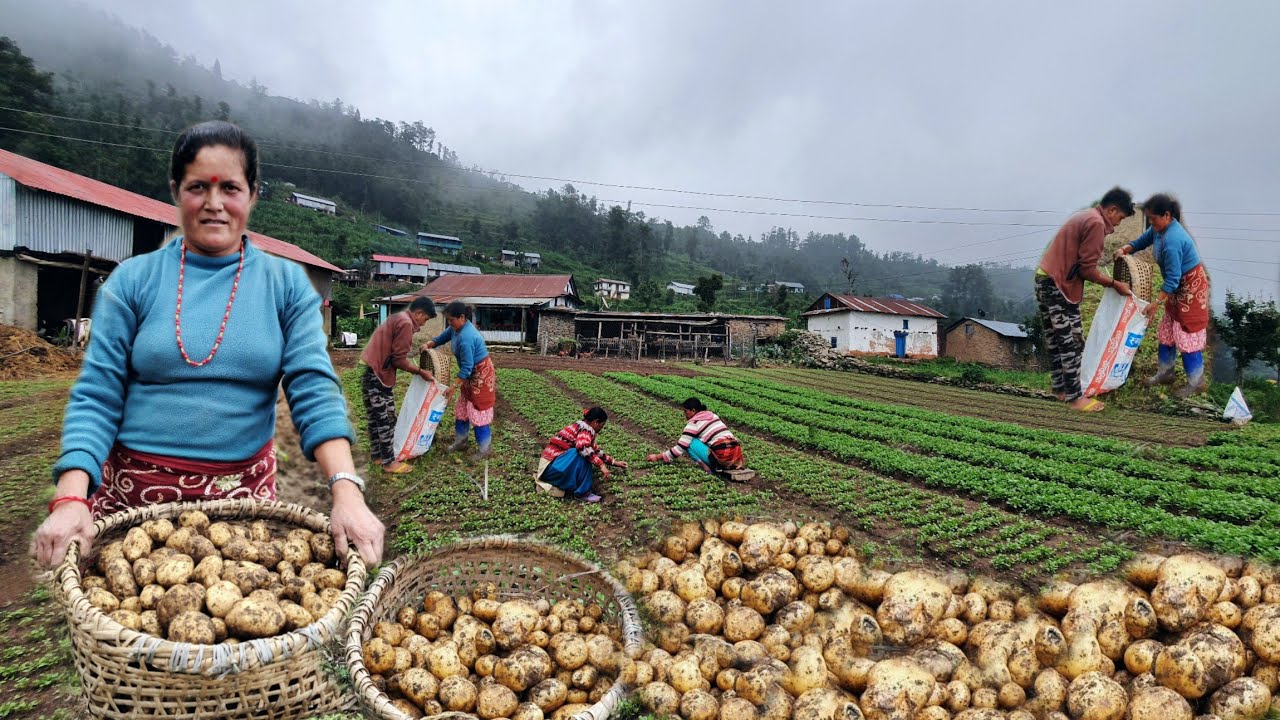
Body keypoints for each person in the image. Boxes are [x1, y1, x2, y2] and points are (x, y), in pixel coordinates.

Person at [31, 121, 384, 567]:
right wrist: (70, 500)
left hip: (238, 507)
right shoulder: (133, 282)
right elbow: (98, 395)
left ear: (253, 194)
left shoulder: (285, 285)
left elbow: (313, 388)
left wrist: (347, 491)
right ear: (177, 190)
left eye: (230, 188)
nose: (214, 204)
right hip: (135, 507)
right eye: (198, 186)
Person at [1035, 186, 1135, 412]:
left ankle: (1062, 390)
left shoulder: (1086, 215)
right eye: (1120, 217)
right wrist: (1114, 284)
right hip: (1059, 284)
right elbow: (1087, 270)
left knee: (1055, 339)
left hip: (1045, 278)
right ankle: (1076, 398)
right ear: (1111, 210)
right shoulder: (1096, 224)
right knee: (1071, 340)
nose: (1118, 224)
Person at [1115, 192, 1210, 398]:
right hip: (1177, 286)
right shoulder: (1159, 230)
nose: (1151, 222)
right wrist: (1126, 248)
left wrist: (1156, 302)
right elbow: (1144, 239)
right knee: (1167, 330)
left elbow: (1174, 277)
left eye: (1153, 218)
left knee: (1186, 334)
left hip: (1190, 288)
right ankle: (1165, 373)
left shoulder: (1173, 240)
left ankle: (1196, 381)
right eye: (1148, 218)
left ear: (1166, 215)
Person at [360, 296, 438, 474]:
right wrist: (420, 371)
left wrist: (410, 354)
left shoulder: (397, 318)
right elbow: (398, 360)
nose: (424, 324)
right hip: (379, 375)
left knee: (375, 418)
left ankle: (378, 456)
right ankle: (389, 463)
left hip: (370, 371)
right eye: (425, 319)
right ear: (418, 313)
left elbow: (394, 350)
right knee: (387, 418)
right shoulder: (406, 324)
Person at [423, 300, 496, 458]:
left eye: (451, 320)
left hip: (480, 374)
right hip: (469, 373)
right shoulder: (455, 328)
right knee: (462, 408)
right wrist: (431, 343)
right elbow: (444, 336)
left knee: (478, 410)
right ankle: (461, 442)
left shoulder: (466, 337)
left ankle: (485, 449)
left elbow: (467, 367)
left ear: (462, 317)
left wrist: (454, 386)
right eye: (448, 320)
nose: (450, 323)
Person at [536, 407, 627, 503]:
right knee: (582, 453)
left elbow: (595, 450)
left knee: (587, 453)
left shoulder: (580, 426)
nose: (601, 429)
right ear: (596, 422)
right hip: (552, 471)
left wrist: (614, 462)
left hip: (547, 470)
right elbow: (583, 447)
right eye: (602, 425)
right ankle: (583, 492)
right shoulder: (586, 429)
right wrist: (601, 465)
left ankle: (573, 486)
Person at [646, 397, 747, 476]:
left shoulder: (694, 423)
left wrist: (657, 456)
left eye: (686, 411)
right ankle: (727, 464)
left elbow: (680, 449)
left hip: (723, 456)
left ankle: (708, 468)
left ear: (693, 411)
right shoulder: (712, 416)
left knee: (689, 443)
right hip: (736, 455)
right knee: (702, 441)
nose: (684, 414)